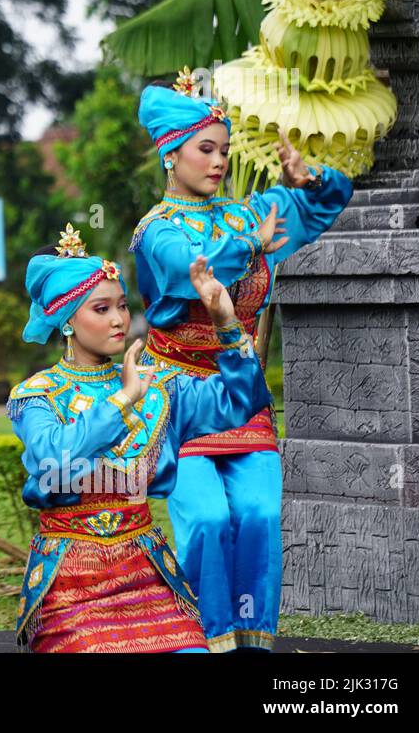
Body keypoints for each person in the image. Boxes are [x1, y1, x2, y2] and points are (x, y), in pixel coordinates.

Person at [130, 75, 352, 651]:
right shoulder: (156, 232)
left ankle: (252, 647)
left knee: (257, 516)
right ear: (169, 153)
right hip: (182, 399)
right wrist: (252, 243)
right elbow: (193, 271)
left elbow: (327, 202)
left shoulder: (249, 214)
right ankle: (207, 639)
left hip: (243, 397)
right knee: (205, 520)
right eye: (206, 149)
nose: (219, 161)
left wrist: (309, 180)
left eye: (225, 150)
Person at [8, 223, 273, 652]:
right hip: (73, 584)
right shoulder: (37, 396)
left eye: (122, 306)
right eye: (100, 309)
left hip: (147, 571)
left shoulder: (161, 388)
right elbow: (54, 459)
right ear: (67, 320)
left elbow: (243, 400)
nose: (118, 319)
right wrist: (124, 399)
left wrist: (225, 321)